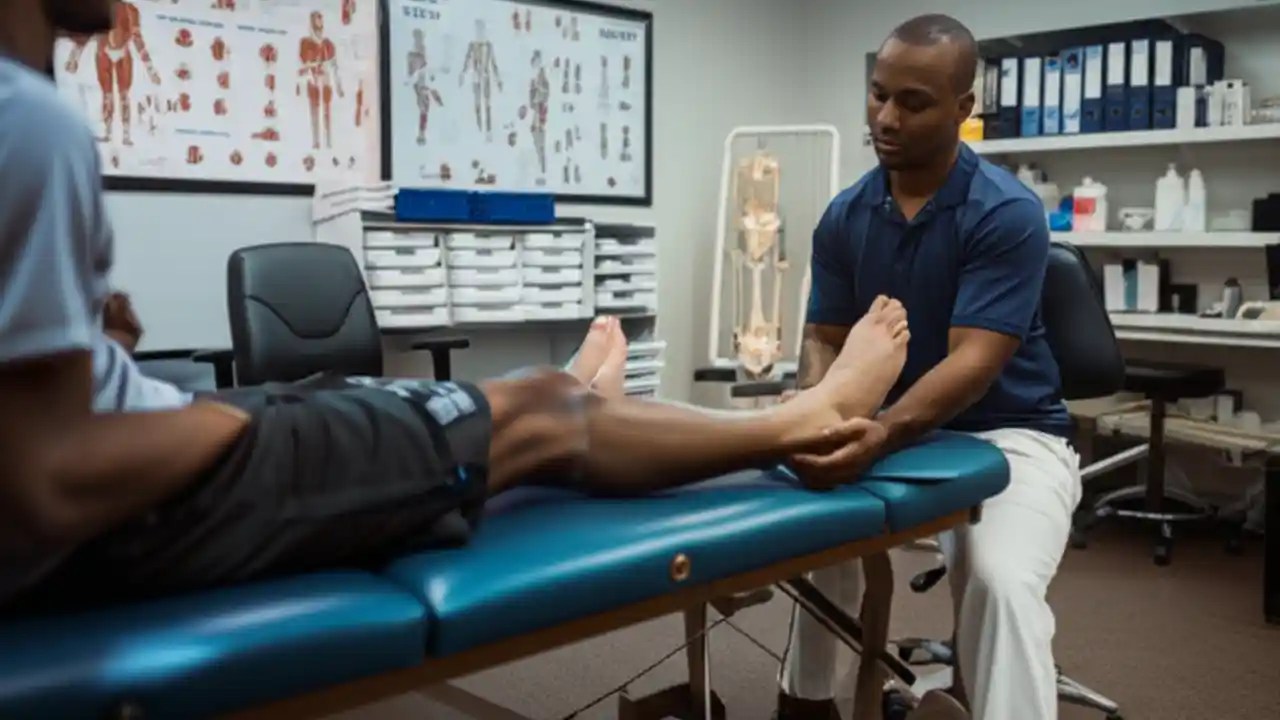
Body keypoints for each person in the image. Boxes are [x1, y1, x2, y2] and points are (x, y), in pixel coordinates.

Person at [0, 0, 912, 613]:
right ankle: (806, 416)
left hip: (122, 470)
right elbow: (46, 481)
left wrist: (95, 342)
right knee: (541, 417)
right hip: (127, 518)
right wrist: (246, 423)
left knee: (480, 396)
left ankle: (578, 389)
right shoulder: (29, 122)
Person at [774, 14, 1079, 720]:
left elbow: (973, 364)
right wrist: (819, 404)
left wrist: (877, 432)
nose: (885, 117)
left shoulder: (1004, 212)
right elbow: (824, 337)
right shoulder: (845, 215)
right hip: (888, 426)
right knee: (823, 551)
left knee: (999, 584)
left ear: (963, 109)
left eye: (912, 103)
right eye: (878, 95)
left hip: (1011, 434)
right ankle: (806, 706)